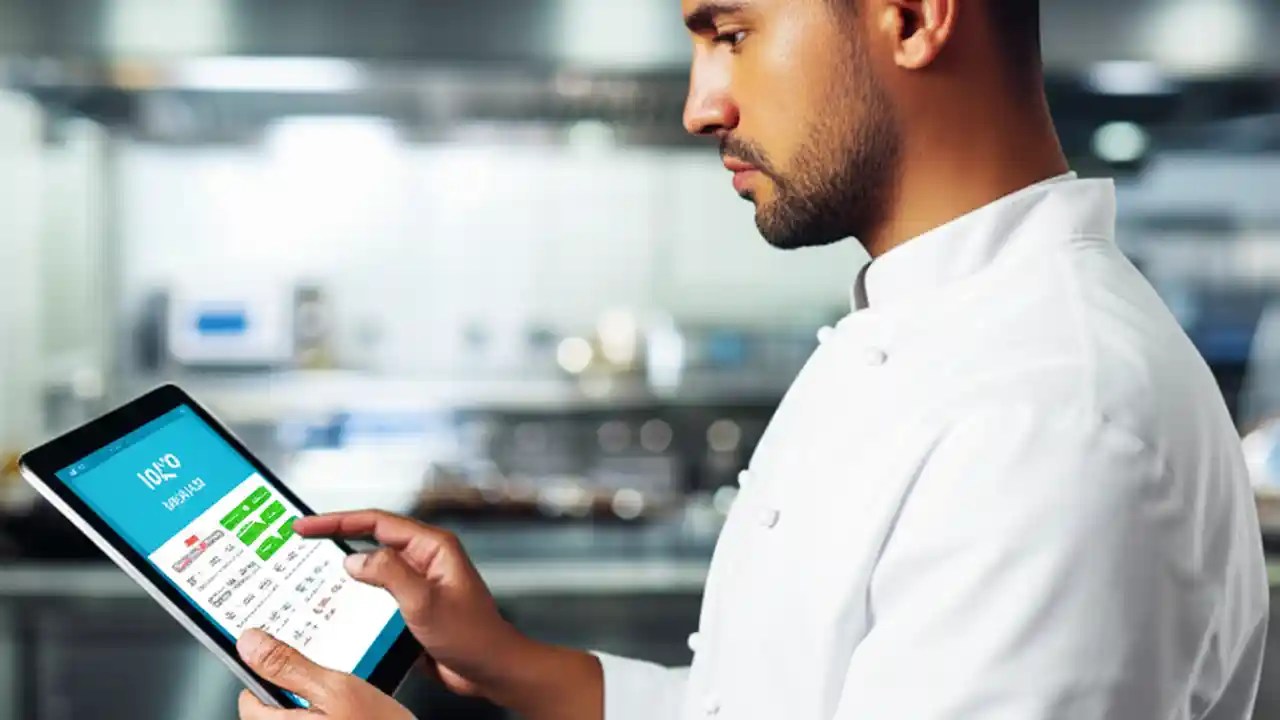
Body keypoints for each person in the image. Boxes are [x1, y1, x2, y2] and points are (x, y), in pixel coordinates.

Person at [236, 0, 1270, 717]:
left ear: (909, 16)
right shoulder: (920, 326)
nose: (700, 105)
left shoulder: (1051, 415)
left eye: (732, 33)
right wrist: (514, 666)